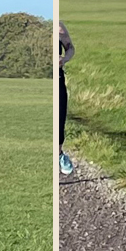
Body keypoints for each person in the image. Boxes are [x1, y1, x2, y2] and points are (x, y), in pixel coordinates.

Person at [58, 19, 74, 172]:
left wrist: (63, 59)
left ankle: (59, 155)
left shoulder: (58, 26)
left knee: (59, 118)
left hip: (57, 78)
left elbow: (70, 49)